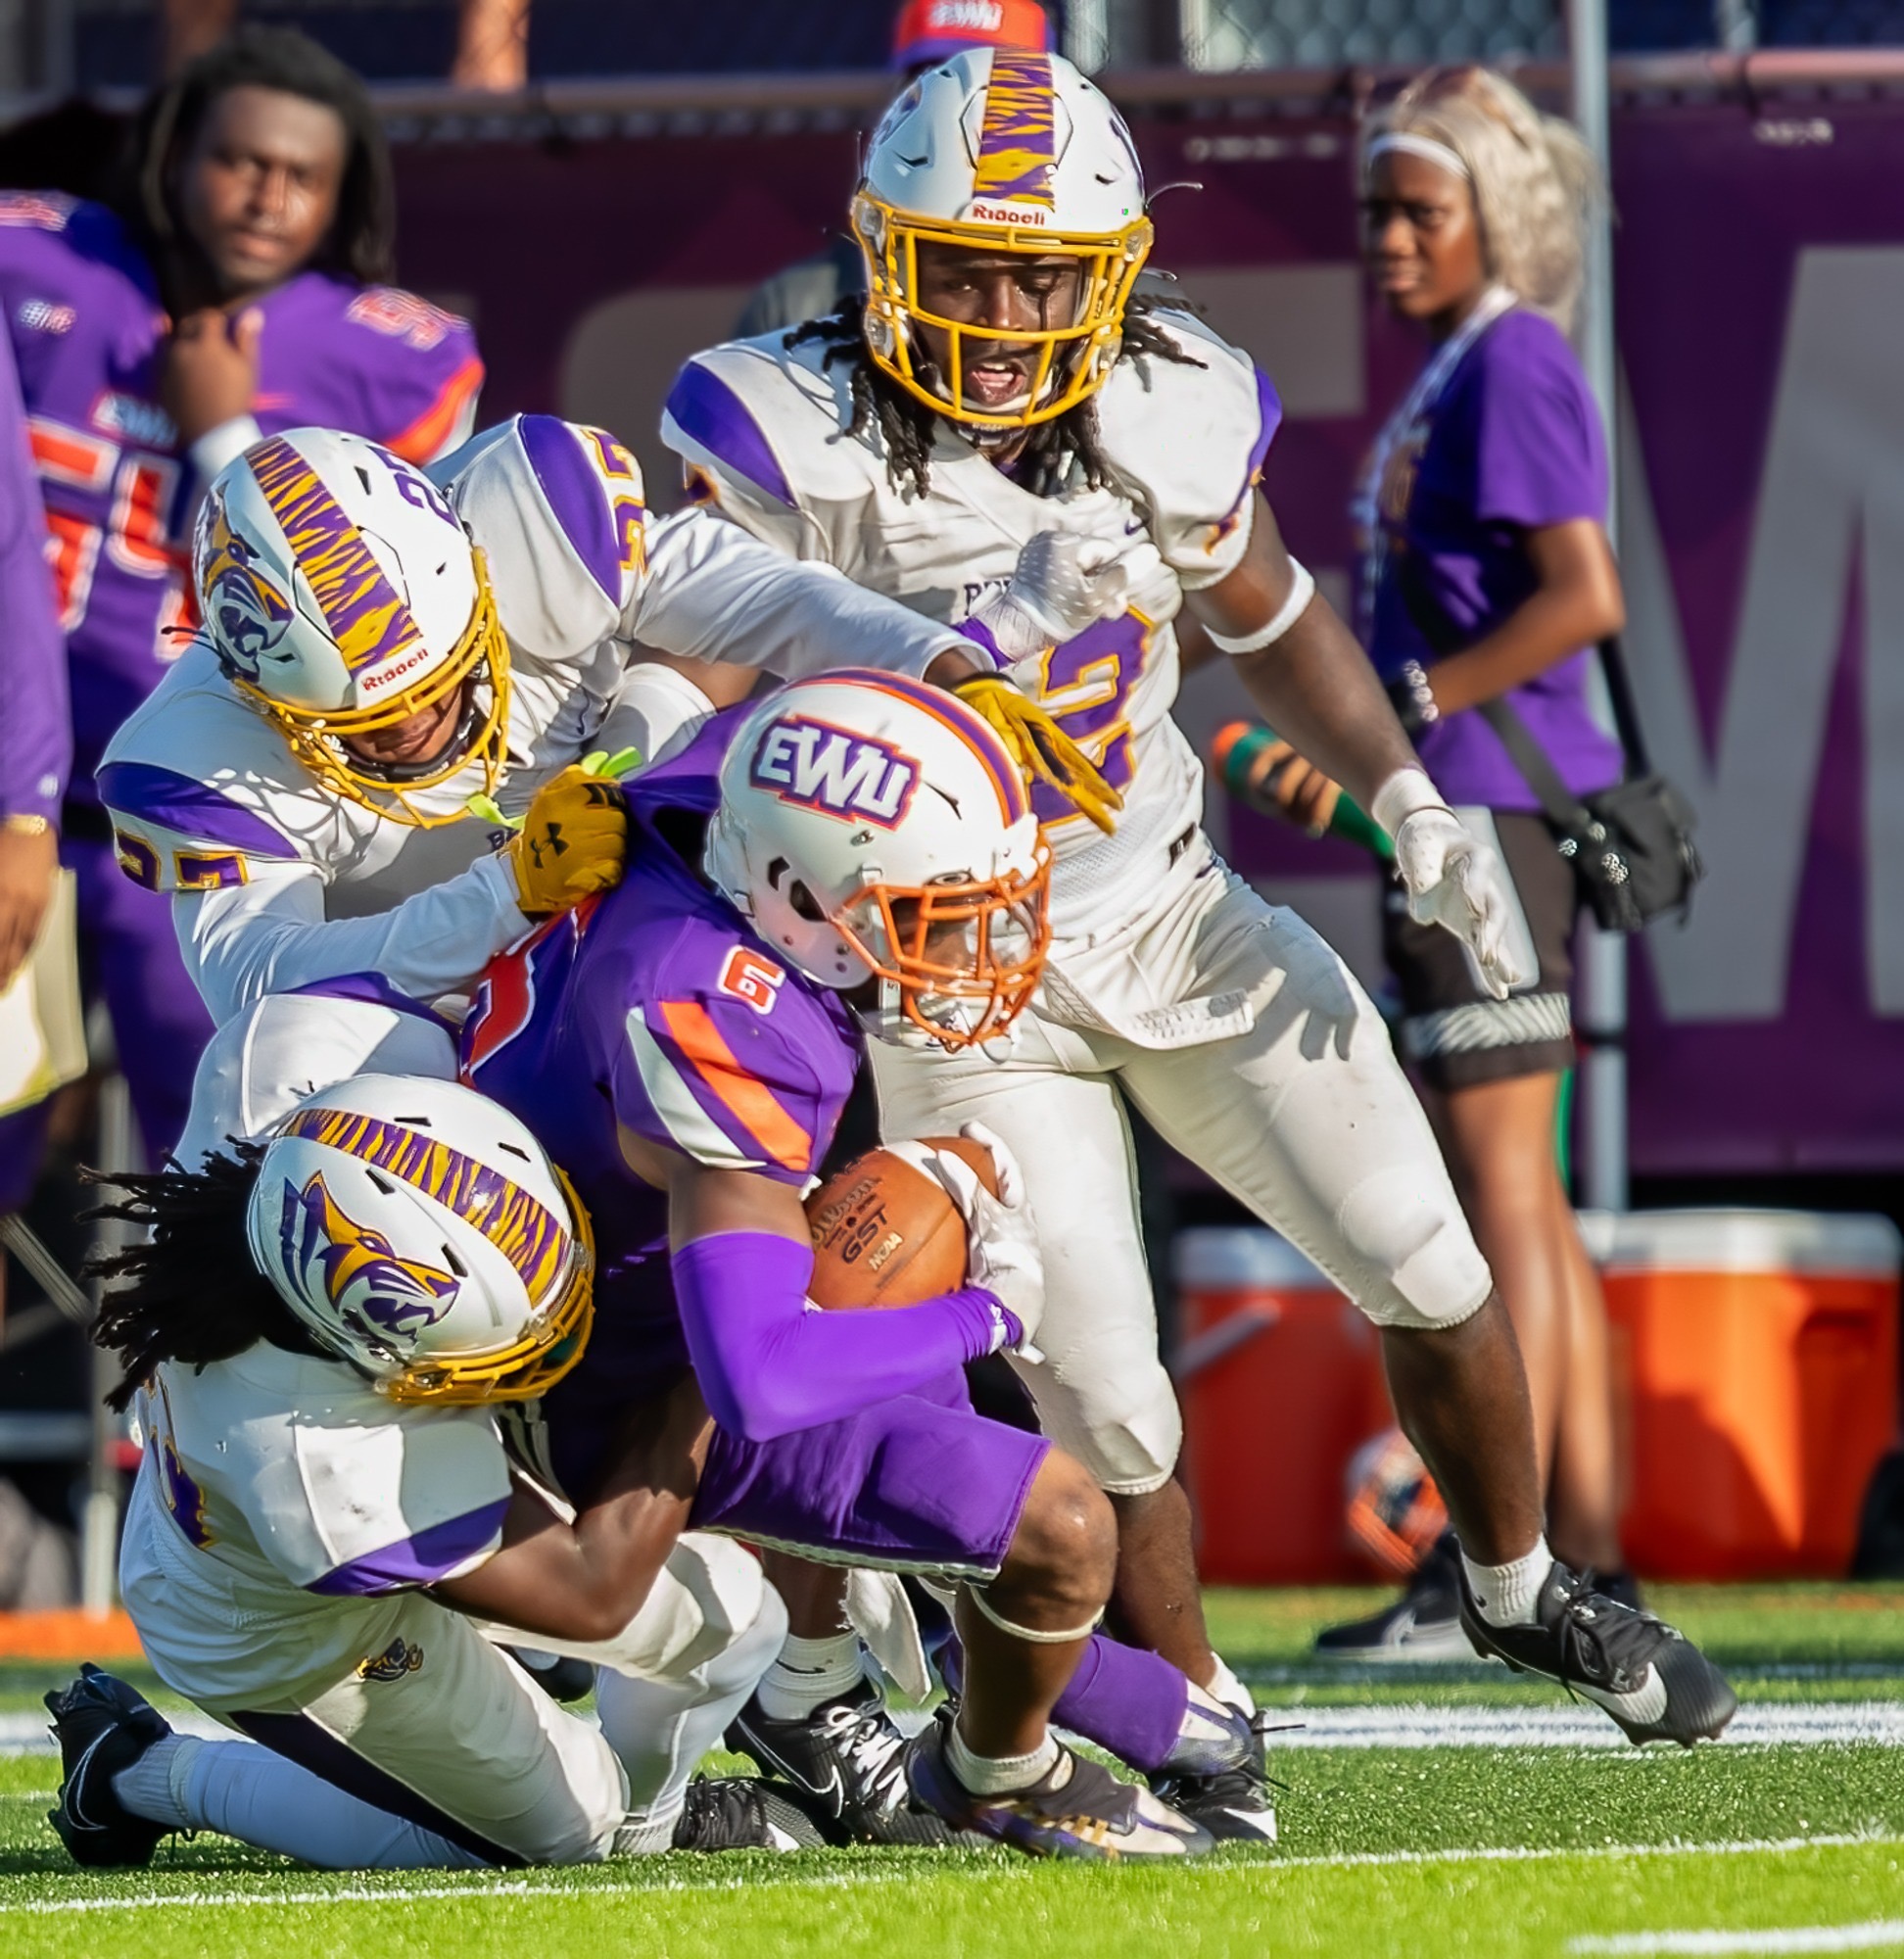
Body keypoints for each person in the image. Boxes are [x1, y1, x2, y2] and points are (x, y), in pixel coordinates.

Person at [660, 45, 1737, 1817]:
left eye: (1041, 275)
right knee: (1105, 1407)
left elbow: (1274, 612)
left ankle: (1519, 1587)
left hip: (1172, 911)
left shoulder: (1163, 402)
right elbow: (677, 670)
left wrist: (1404, 798)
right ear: (878, 254)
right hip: (955, 988)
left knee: (1425, 1252)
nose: (1002, 313)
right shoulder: (782, 426)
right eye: (961, 264)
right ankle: (1192, 1707)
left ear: (1110, 280)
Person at [463, 673, 1256, 1858]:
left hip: (631, 1288)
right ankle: (1004, 1770)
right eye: (926, 912)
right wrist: (989, 1315)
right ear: (791, 898)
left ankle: (1048, 1709)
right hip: (597, 1389)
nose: (966, 943)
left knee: (912, 1238)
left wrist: (960, 658)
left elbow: (787, 693)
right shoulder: (714, 1015)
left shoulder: (725, 791)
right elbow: (762, 1380)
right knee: (1060, 1520)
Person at [45, 1052, 818, 1871]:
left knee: (741, 1618)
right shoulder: (320, 1462)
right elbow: (591, 1591)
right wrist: (726, 1348)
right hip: (282, 1631)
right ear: (370, 1342)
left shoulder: (316, 1159)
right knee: (565, 1831)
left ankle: (644, 1817)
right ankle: (135, 1771)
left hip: (298, 1517)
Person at [96, 415, 1080, 1031]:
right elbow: (257, 982)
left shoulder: (533, 515)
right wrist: (506, 891)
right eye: (370, 720)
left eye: (441, 678)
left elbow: (767, 601)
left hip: (627, 820)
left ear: (478, 569)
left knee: (796, 799)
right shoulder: (198, 754)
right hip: (425, 1000)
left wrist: (940, 662)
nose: (421, 726)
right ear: (257, 692)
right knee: (276, 1065)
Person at [0, 25, 483, 1224]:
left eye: (301, 174)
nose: (267, 196)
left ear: (343, 192)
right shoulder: (39, 267)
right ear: (172, 157)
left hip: (218, 812)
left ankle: (184, 1419)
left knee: (228, 1166)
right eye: (239, 161)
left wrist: (226, 425)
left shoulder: (387, 356)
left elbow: (395, 597)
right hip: (28, 803)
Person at [1277, 67, 1638, 1660]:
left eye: (1415, 211)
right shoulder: (1464, 369)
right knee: (1528, 1203)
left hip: (1486, 808)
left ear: (1491, 213)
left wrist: (1424, 703)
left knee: (1493, 1198)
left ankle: (1511, 1559)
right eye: (1373, 213)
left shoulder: (1512, 362)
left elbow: (1583, 593)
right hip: (1477, 802)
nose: (1385, 241)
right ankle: (1588, 1542)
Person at [732, 0, 1054, 340]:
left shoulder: (1106, 292)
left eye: (990, 84)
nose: (953, 102)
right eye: (932, 80)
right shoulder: (794, 309)